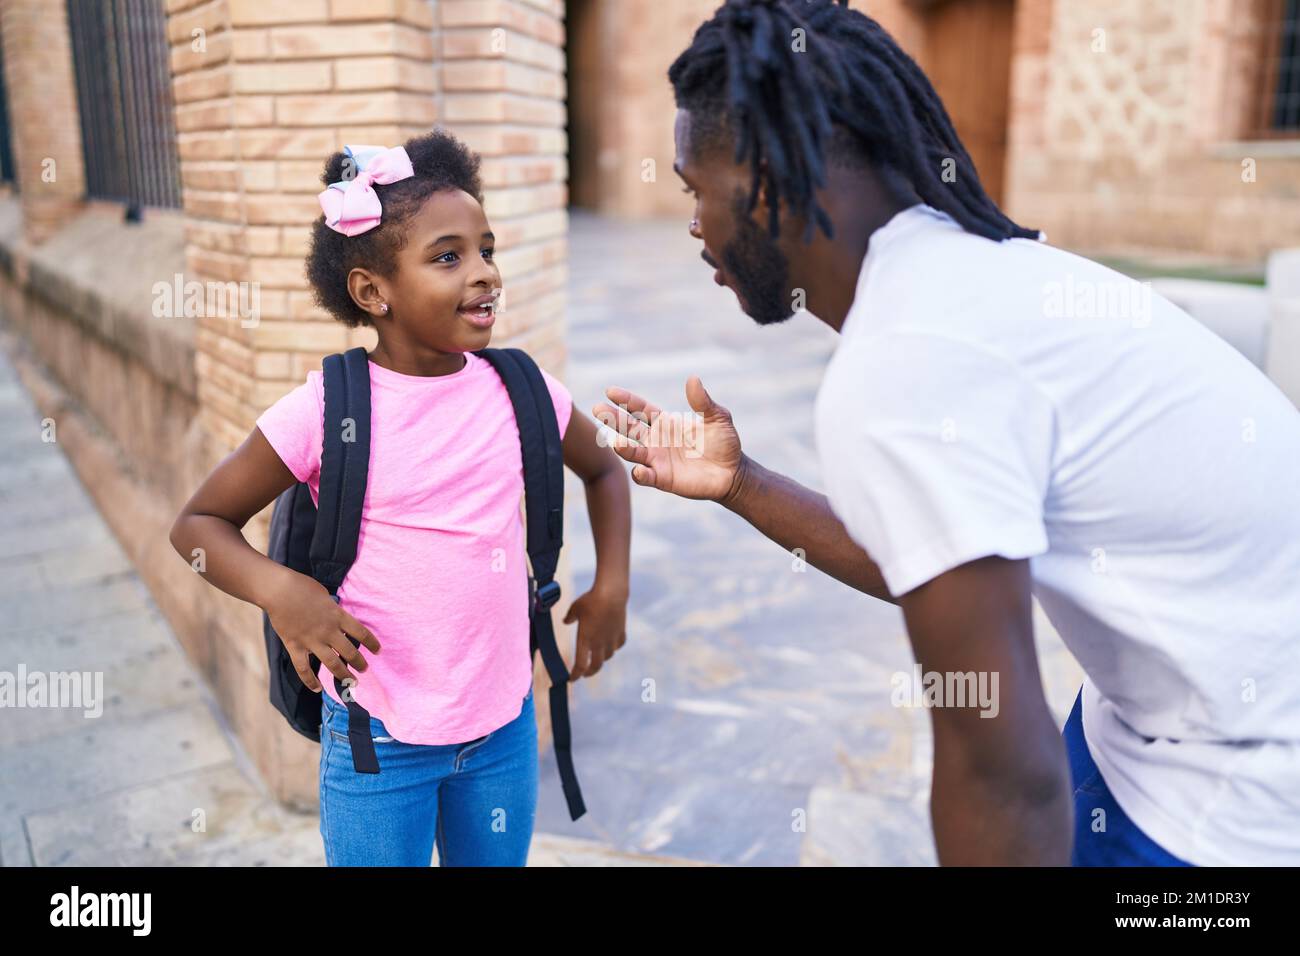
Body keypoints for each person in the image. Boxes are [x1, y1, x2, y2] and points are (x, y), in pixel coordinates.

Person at [594, 0, 1300, 865]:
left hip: (1237, 807)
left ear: (776, 176)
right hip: (1151, 725)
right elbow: (931, 566)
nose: (695, 223)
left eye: (696, 187)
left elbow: (1001, 774)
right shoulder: (966, 274)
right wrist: (744, 484)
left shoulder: (912, 359)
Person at [169, 129, 632, 866]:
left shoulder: (521, 390)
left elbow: (604, 469)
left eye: (487, 249)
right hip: (376, 742)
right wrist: (281, 591)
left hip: (503, 728)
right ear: (372, 291)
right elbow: (196, 526)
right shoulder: (328, 408)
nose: (483, 273)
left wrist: (612, 584)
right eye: (448, 257)